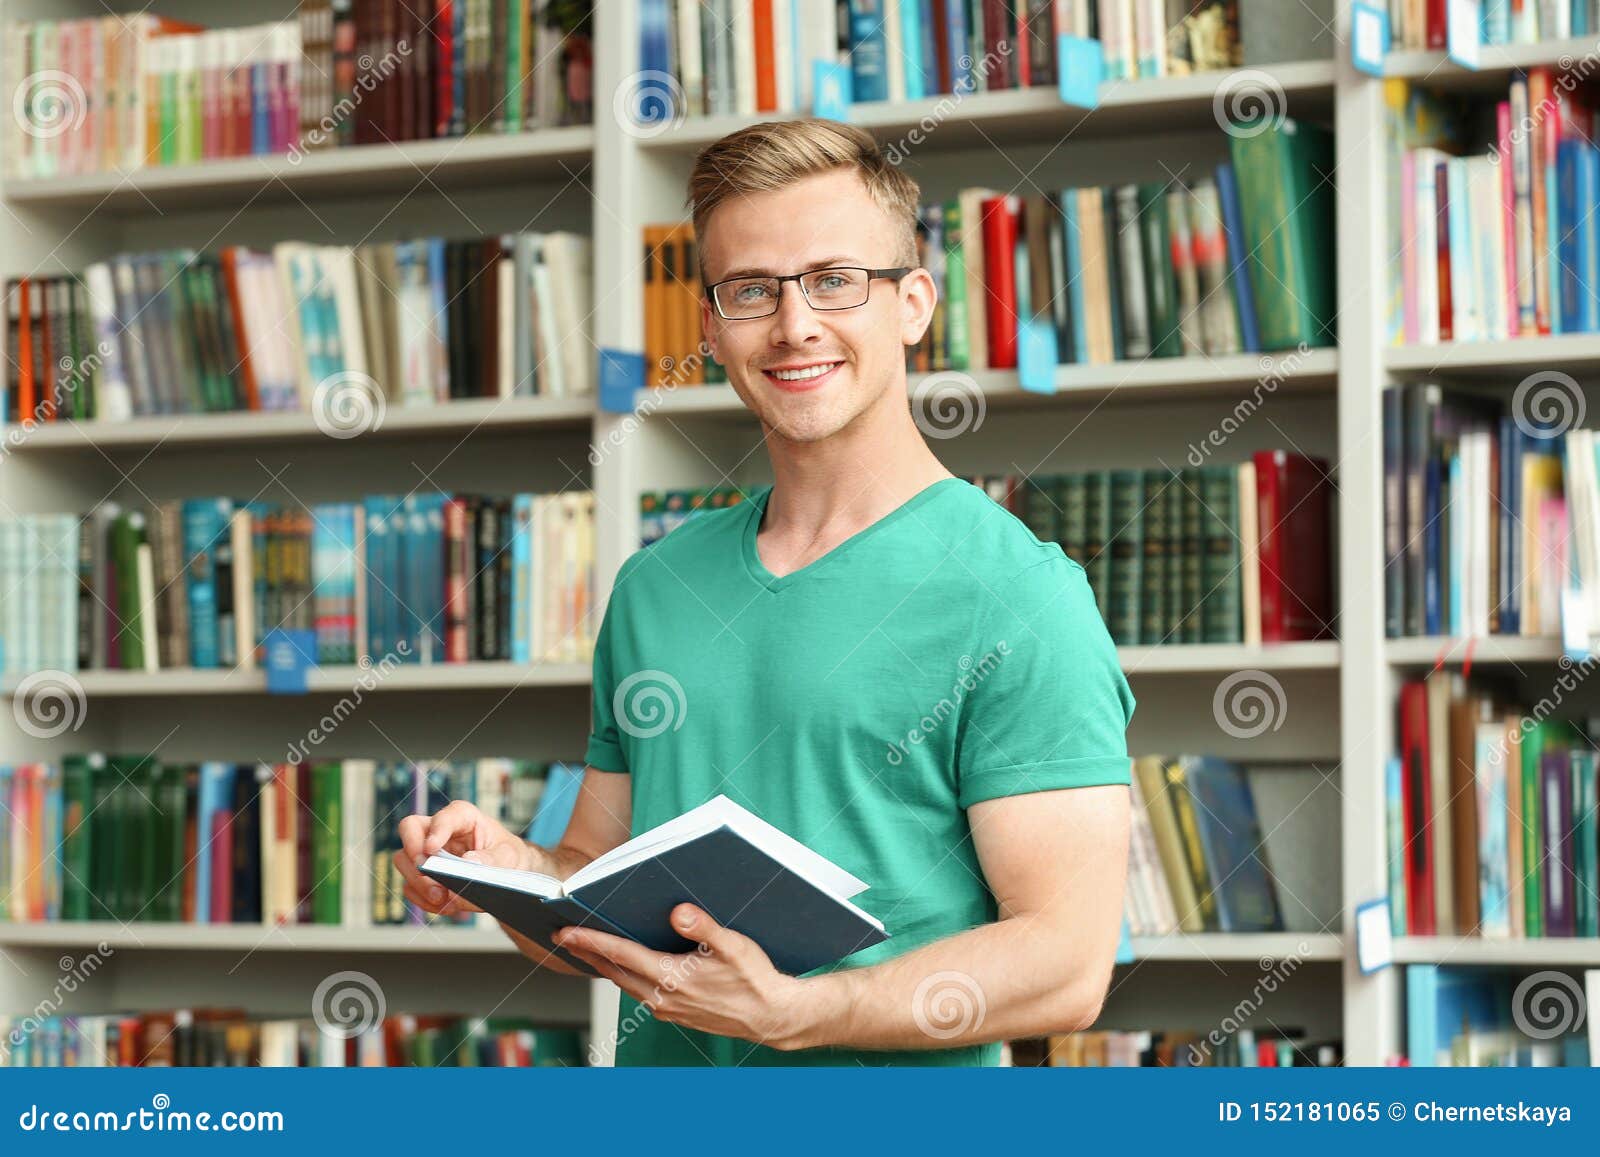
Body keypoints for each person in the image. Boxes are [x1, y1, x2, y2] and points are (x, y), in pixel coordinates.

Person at [397, 118, 1135, 1066]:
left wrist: (801, 1010)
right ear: (709, 328)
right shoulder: (656, 585)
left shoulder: (1021, 595)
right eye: (752, 291)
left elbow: (1066, 964)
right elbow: (599, 895)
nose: (794, 325)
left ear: (912, 302)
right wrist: (513, 876)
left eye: (835, 280)